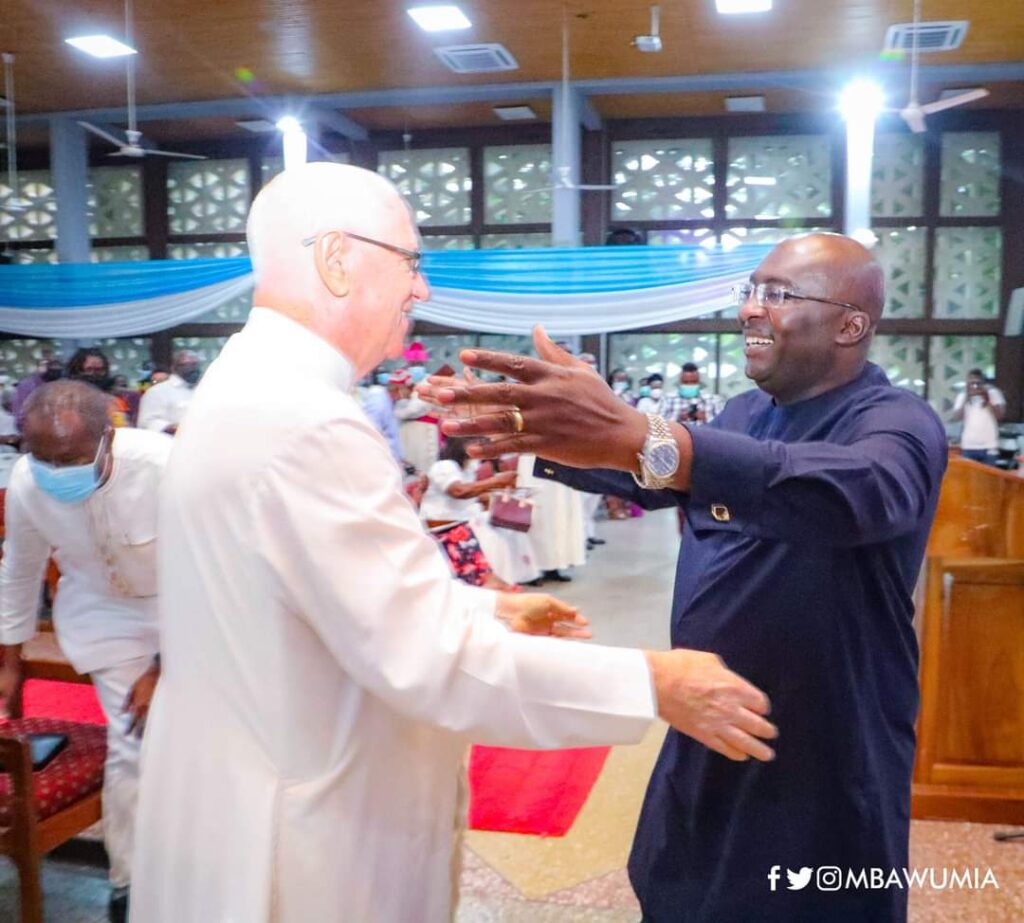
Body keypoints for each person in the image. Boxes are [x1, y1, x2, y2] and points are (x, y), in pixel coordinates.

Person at [128, 163, 776, 923]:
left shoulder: (244, 387)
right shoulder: (305, 420)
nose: (422, 290)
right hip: (309, 833)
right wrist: (651, 683)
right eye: (411, 261)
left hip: (247, 781)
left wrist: (483, 610)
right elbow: (423, 660)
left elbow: (317, 598)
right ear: (337, 257)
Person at [425, 232, 948, 922]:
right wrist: (536, 456)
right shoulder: (746, 412)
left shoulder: (897, 424)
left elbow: (855, 493)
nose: (752, 310)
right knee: (685, 888)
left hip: (821, 748)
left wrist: (648, 434)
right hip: (703, 722)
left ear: (852, 325)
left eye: (780, 294)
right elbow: (662, 477)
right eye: (751, 291)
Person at [0, 381, 168, 923]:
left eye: (69, 458)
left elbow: (222, 569)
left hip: (190, 608)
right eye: (39, 455)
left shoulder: (171, 469)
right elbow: (19, 570)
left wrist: (167, 667)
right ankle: (131, 886)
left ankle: (203, 873)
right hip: (104, 617)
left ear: (108, 437)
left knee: (198, 740)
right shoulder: (29, 482)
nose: (53, 469)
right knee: (136, 744)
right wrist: (10, 660)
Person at [420, 436, 539, 587]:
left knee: (512, 530)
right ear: (463, 445)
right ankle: (496, 583)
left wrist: (508, 494)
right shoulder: (444, 466)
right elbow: (459, 491)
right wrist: (495, 482)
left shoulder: (469, 467)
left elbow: (474, 494)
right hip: (446, 524)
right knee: (496, 540)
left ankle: (517, 578)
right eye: (477, 444)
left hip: (467, 518)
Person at [136, 350, 201, 434]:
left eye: (195, 364)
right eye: (187, 364)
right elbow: (146, 423)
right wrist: (173, 428)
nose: (193, 368)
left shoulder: (205, 388)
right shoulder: (158, 391)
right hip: (171, 442)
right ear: (174, 368)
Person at [952, 368, 1006, 466]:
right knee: (968, 479)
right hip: (968, 447)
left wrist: (987, 398)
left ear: (983, 383)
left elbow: (1000, 416)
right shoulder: (962, 396)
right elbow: (957, 417)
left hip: (989, 447)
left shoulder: (993, 393)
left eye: (977, 383)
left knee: (988, 480)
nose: (974, 386)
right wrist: (966, 397)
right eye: (971, 383)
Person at [67, 347, 132, 426]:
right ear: (78, 371)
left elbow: (123, 427)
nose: (94, 374)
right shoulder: (66, 398)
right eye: (89, 369)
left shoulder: (114, 400)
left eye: (99, 370)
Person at [656, 362, 724, 425]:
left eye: (693, 382)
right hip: (678, 436)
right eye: (685, 382)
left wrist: (705, 418)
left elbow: (722, 425)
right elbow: (658, 424)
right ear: (680, 382)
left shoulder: (712, 399)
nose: (689, 385)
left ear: (699, 382)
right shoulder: (667, 399)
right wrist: (677, 418)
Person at [12, 351, 63, 431]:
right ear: (39, 366)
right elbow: (20, 417)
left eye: (55, 364)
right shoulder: (27, 385)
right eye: (47, 364)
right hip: (35, 432)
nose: (53, 368)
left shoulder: (64, 384)